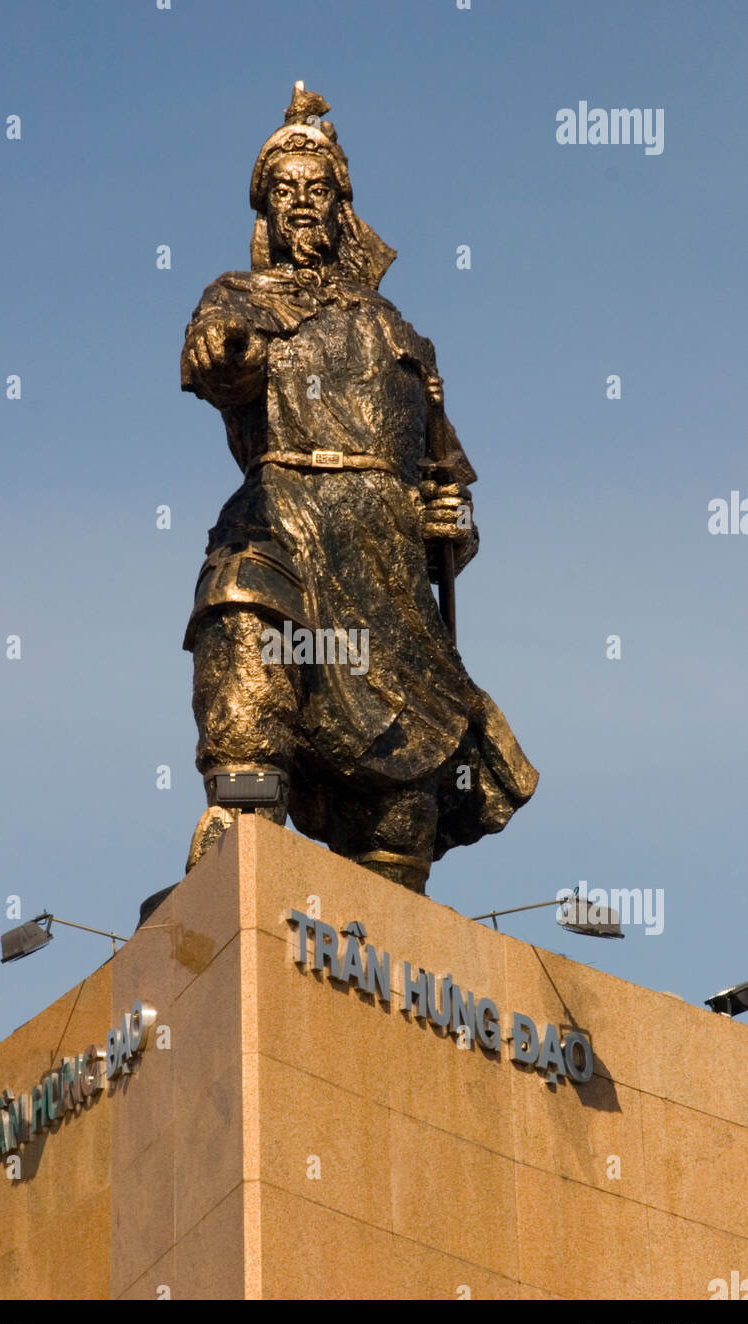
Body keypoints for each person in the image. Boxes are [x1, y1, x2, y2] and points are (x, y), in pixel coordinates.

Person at [179, 84, 537, 895]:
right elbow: (218, 361)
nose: (301, 202)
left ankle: (391, 922)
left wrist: (450, 523)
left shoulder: (400, 334)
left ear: (342, 205)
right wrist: (222, 345)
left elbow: (443, 482)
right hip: (284, 514)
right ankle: (242, 829)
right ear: (265, 208)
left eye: (317, 188)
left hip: (383, 558)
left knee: (398, 781)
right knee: (242, 609)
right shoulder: (239, 299)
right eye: (284, 189)